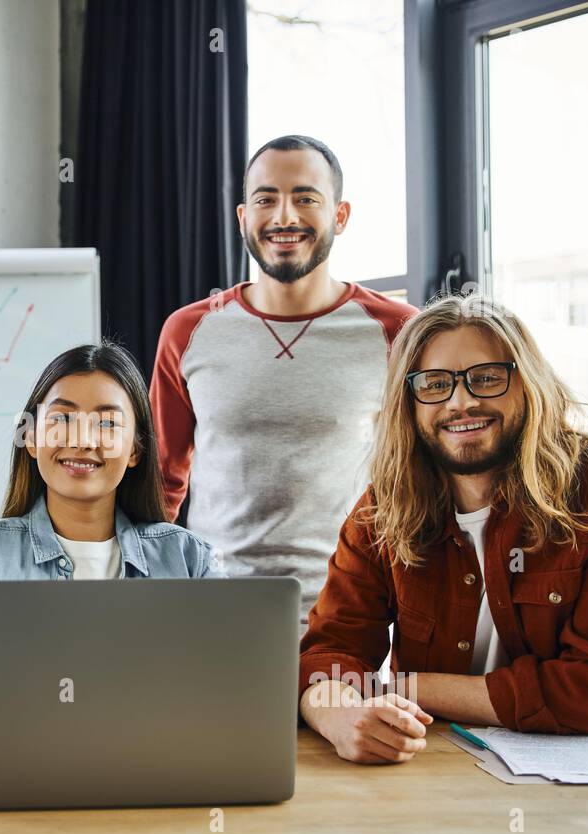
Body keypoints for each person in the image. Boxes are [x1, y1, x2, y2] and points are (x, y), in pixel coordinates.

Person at [298, 294, 588, 764]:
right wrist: (340, 717)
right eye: (435, 384)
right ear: (410, 404)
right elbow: (328, 657)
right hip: (434, 763)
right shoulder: (383, 507)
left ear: (528, 384)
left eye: (486, 378)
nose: (463, 401)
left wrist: (408, 687)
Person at [0, 342, 217, 753]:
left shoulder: (189, 561)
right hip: (19, 782)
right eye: (62, 418)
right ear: (33, 438)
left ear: (135, 451)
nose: (82, 440)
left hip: (151, 781)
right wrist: (9, 729)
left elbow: (229, 686)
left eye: (108, 424)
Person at [150, 134, 417, 616]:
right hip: (213, 609)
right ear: (243, 217)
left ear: (340, 215)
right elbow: (162, 479)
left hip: (350, 611)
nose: (284, 217)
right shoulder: (187, 331)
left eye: (305, 198)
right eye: (266, 200)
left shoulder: (399, 331)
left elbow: (423, 474)